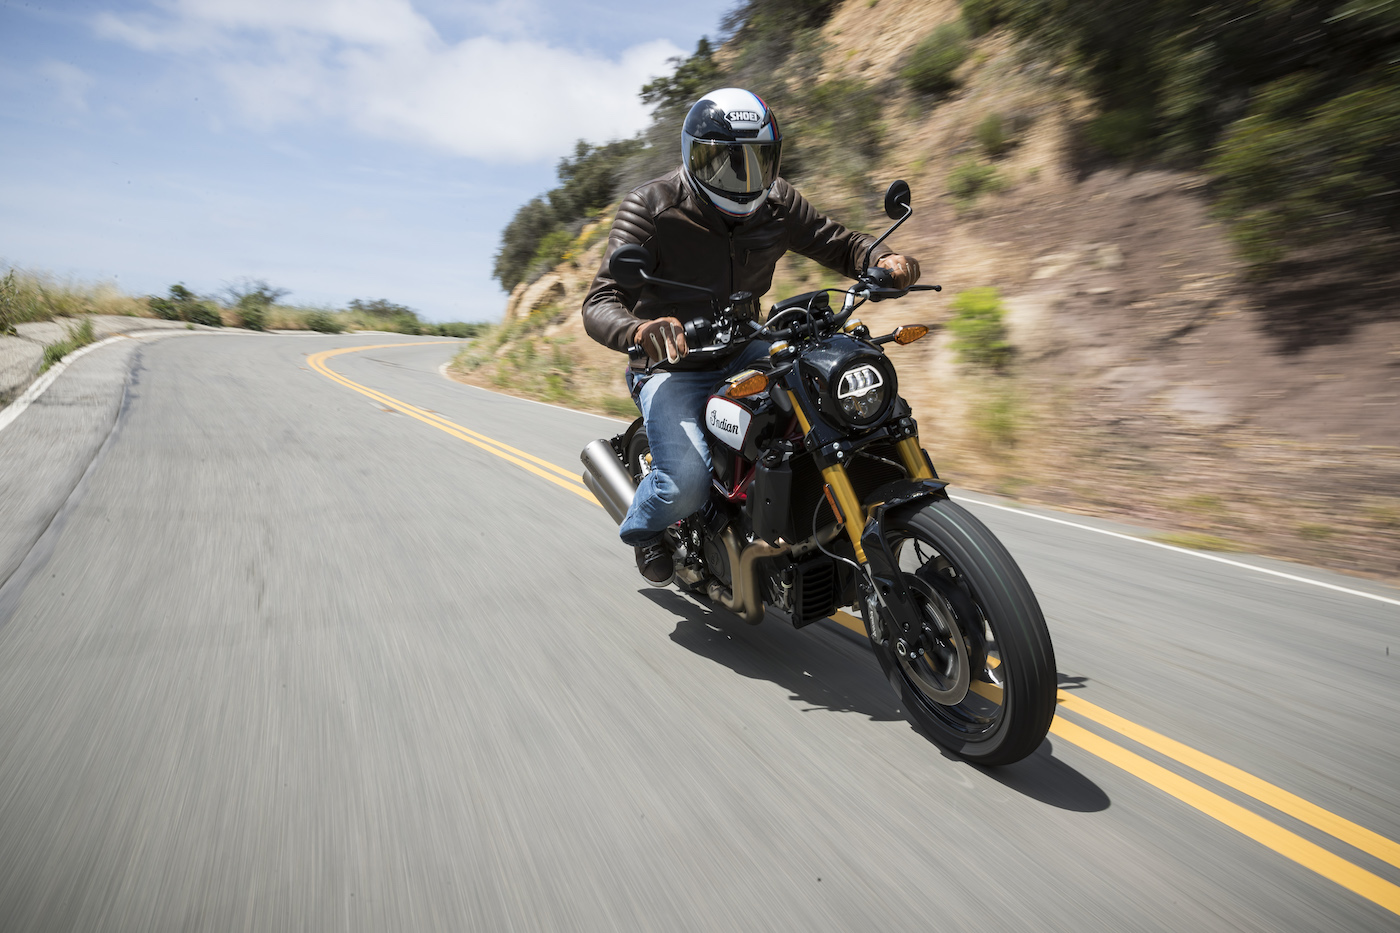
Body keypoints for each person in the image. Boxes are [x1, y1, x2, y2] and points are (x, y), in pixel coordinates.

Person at [582, 87, 921, 585]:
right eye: (726, 165)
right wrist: (640, 330)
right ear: (695, 157)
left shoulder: (778, 202)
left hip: (748, 344)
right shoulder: (652, 209)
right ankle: (645, 527)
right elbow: (600, 301)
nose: (744, 180)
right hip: (671, 365)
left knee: (836, 402)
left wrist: (880, 259)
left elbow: (839, 243)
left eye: (758, 162)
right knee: (686, 484)